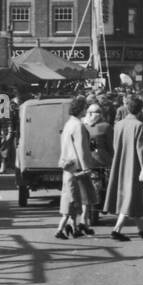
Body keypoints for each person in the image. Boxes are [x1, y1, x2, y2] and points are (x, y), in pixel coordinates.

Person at [105, 95, 143, 241]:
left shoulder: (118, 125)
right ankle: (117, 230)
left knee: (132, 197)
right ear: (140, 110)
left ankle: (142, 230)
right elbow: (141, 150)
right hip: (134, 165)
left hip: (120, 163)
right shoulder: (139, 125)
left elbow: (114, 145)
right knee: (131, 197)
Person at [56, 95, 96, 239]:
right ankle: (70, 227)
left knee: (71, 197)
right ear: (81, 109)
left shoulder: (69, 123)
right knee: (79, 198)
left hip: (67, 164)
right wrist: (86, 167)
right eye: (86, 107)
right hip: (77, 166)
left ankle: (73, 227)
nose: (87, 110)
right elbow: (82, 148)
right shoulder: (78, 125)